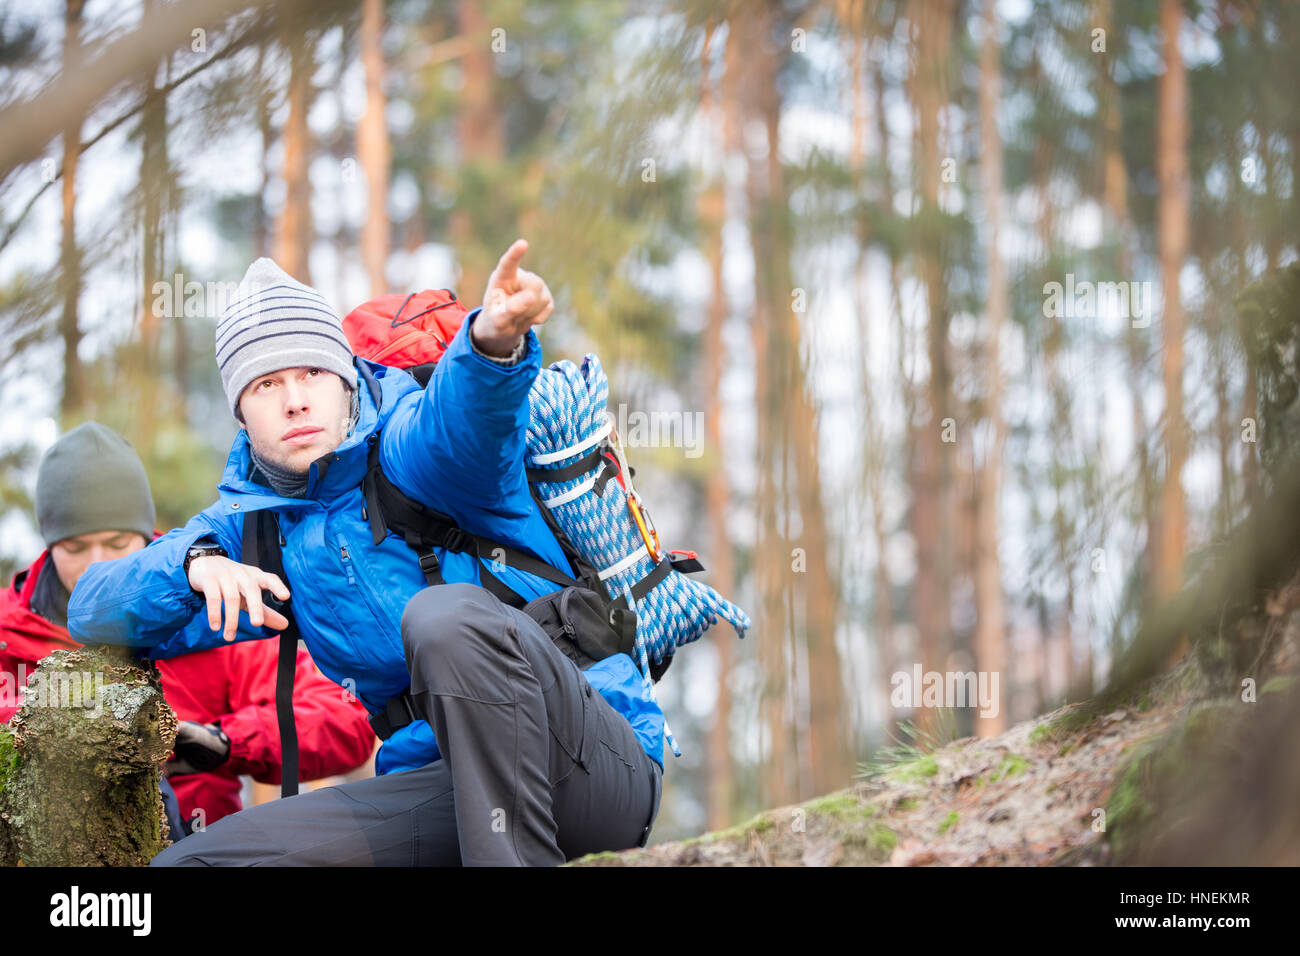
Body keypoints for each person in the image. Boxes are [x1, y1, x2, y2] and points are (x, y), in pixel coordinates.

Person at [68, 240, 665, 866]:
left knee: (445, 619)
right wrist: (192, 564)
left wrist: (491, 342)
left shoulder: (413, 453)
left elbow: (465, 421)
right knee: (190, 866)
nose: (294, 399)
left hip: (593, 764)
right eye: (266, 383)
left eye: (312, 373)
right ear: (241, 413)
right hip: (453, 792)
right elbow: (92, 609)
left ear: (346, 378)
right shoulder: (258, 534)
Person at [1, 422, 377, 835]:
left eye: (117, 543)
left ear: (146, 535)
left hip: (201, 850)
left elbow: (345, 718)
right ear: (49, 542)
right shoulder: (8, 633)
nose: (98, 563)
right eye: (75, 547)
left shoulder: (212, 604)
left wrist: (223, 743)